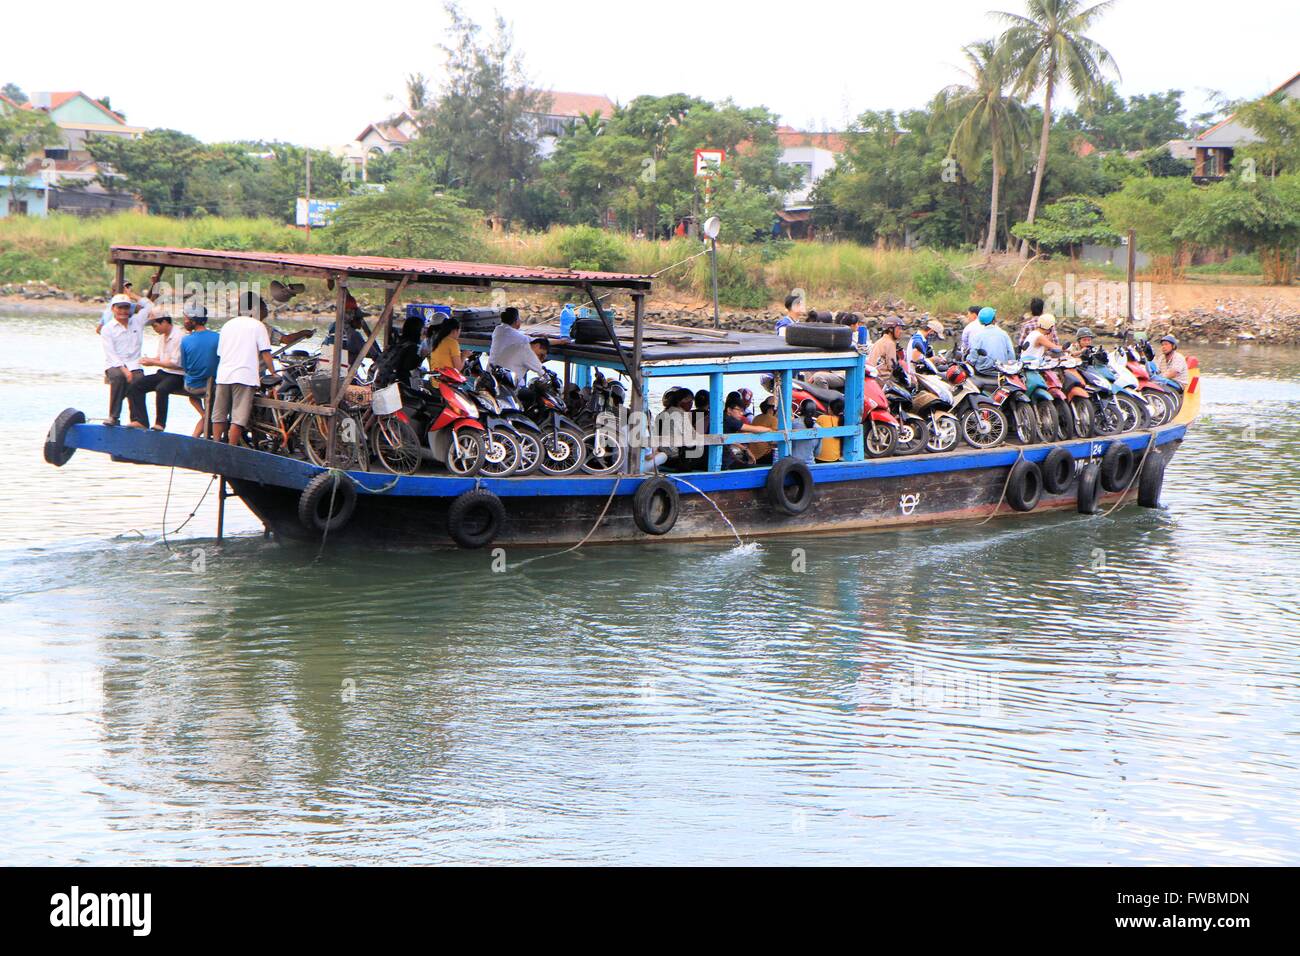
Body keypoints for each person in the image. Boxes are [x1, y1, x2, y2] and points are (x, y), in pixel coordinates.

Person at [213, 307, 273, 446]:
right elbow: (265, 353)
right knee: (238, 418)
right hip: (245, 376)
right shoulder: (258, 325)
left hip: (224, 375)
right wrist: (273, 372)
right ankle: (231, 448)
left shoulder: (227, 325)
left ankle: (215, 445)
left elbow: (220, 353)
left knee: (219, 415)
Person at [101, 292, 154, 426]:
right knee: (119, 377)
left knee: (139, 381)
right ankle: (113, 416)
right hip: (114, 365)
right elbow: (111, 353)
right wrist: (124, 370)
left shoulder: (137, 321)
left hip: (135, 364)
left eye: (126, 307)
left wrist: (131, 294)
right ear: (113, 309)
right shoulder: (107, 329)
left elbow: (149, 305)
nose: (123, 311)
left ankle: (139, 420)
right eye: (120, 308)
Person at [129, 313, 187, 430]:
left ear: (164, 322)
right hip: (165, 372)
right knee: (135, 385)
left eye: (155, 326)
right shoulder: (162, 336)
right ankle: (140, 420)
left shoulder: (179, 336)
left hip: (179, 374)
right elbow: (161, 358)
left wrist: (153, 362)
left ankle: (160, 424)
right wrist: (148, 360)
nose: (154, 329)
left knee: (162, 388)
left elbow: (176, 363)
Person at [180, 303, 220, 437]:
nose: (184, 321)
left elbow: (185, 367)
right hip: (213, 384)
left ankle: (203, 416)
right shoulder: (217, 337)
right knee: (211, 407)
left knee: (192, 395)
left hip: (193, 386)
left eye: (185, 318)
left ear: (192, 321)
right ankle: (205, 416)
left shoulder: (186, 340)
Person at [488, 307, 547, 383]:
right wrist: (561, 341)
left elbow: (515, 333)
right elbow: (538, 343)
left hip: (491, 374)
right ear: (516, 321)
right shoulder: (519, 338)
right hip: (506, 379)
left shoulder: (498, 330)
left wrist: (532, 334)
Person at [239, 291, 311, 351]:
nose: (266, 309)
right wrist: (303, 333)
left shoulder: (235, 324)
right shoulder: (262, 328)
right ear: (255, 309)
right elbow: (286, 339)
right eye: (263, 307)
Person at [722, 391, 773, 468]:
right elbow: (753, 429)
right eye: (738, 410)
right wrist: (769, 430)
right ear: (729, 410)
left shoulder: (722, 418)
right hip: (723, 461)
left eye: (742, 411)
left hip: (723, 458)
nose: (741, 413)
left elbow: (729, 439)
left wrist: (746, 450)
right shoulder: (729, 420)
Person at [374, 315, 426, 387]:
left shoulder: (400, 343)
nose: (424, 330)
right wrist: (422, 357)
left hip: (384, 379)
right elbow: (408, 366)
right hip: (397, 383)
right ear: (418, 329)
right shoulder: (412, 346)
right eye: (423, 328)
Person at [968, 307, 1015, 371]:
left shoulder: (977, 336)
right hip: (1002, 369)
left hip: (983, 370)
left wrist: (969, 360)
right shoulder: (1003, 334)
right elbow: (1011, 355)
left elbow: (973, 357)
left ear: (981, 322)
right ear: (994, 320)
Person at [746, 396, 780, 464]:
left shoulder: (756, 418)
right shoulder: (774, 420)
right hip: (764, 455)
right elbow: (773, 441)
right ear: (773, 408)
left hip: (753, 454)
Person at [815, 398, 844, 463]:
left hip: (819, 458)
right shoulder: (842, 420)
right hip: (835, 458)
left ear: (830, 409)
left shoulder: (822, 418)